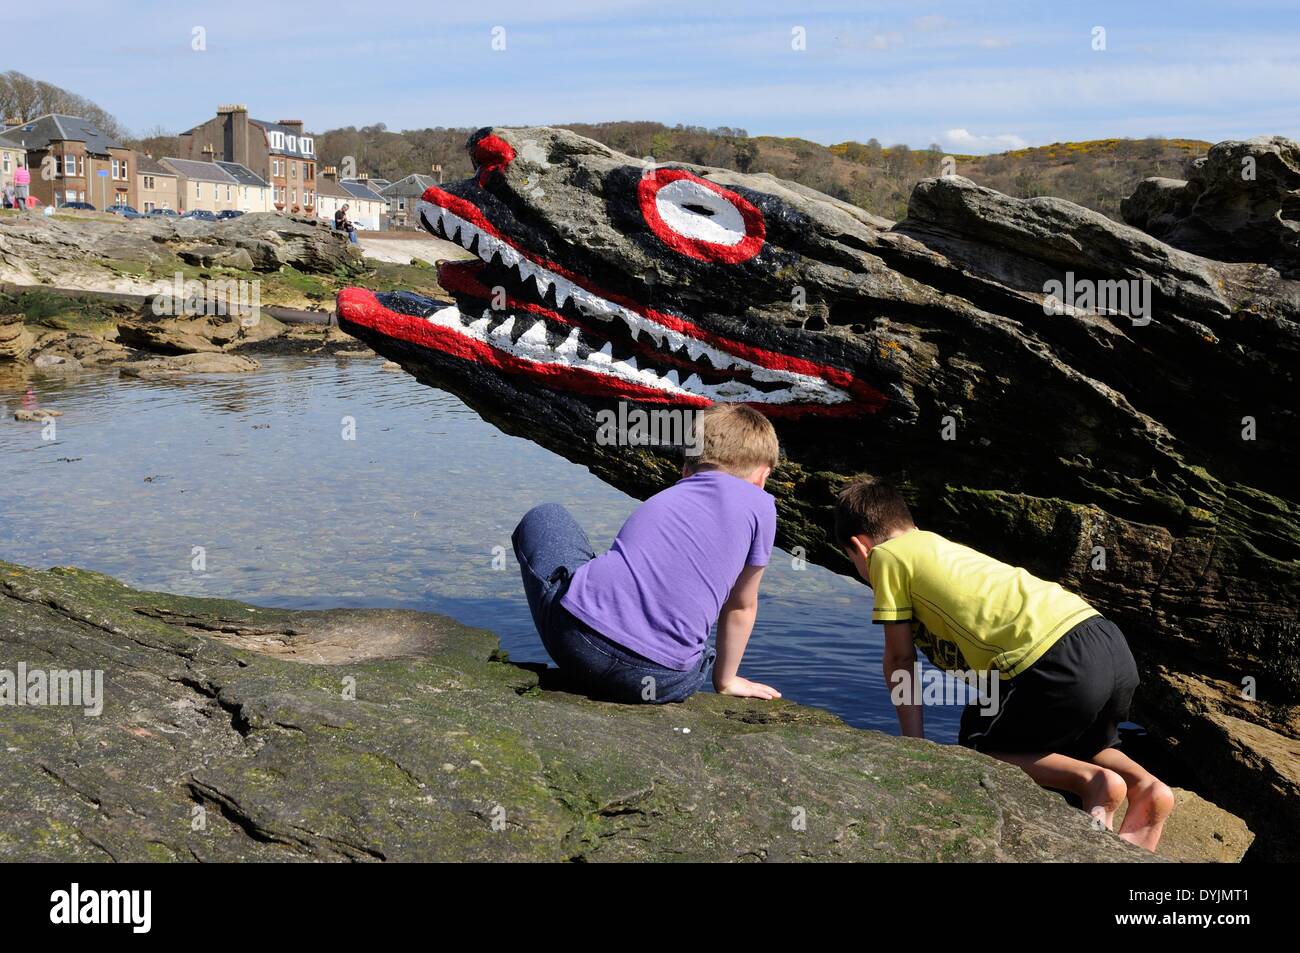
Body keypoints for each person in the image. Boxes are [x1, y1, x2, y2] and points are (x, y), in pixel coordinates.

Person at [834, 476, 1175, 851]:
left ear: (859, 548)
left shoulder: (887, 557)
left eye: (854, 564)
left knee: (977, 744)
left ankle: (1092, 782)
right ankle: (1146, 786)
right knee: (1074, 739)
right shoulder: (939, 546)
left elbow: (900, 659)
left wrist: (914, 747)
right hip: (1104, 639)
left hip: (1053, 659)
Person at [511, 403, 782, 704]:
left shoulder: (672, 493)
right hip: (663, 678)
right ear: (762, 476)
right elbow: (741, 606)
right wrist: (726, 680)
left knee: (547, 515)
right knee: (695, 645)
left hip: (577, 642)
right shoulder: (762, 507)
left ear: (685, 471)